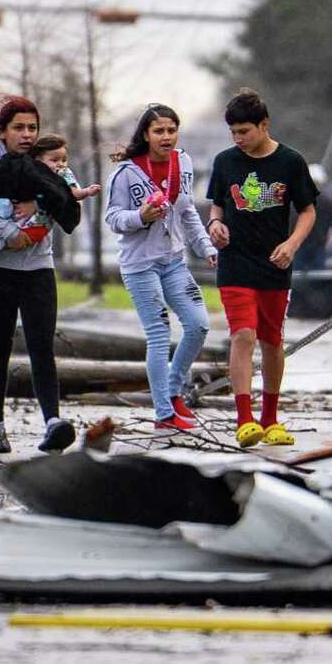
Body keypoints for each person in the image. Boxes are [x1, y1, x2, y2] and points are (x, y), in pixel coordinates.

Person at [0, 96, 81, 455]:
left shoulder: (47, 160)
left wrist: (40, 202)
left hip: (38, 268)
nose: (27, 134)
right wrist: (7, 232)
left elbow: (68, 201)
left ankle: (52, 423)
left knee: (41, 345)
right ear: (2, 130)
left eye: (32, 127)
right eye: (19, 127)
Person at [205, 88, 318, 449]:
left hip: (274, 264)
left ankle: (270, 419)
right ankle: (244, 420)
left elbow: (307, 211)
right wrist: (214, 225)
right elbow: (218, 206)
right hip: (235, 263)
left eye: (245, 132)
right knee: (244, 336)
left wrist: (291, 244)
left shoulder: (290, 161)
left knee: (272, 341)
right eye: (233, 133)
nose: (238, 140)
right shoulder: (225, 162)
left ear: (264, 125)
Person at [105, 104, 216, 433]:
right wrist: (140, 217)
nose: (166, 137)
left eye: (171, 130)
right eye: (159, 131)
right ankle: (164, 413)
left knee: (198, 326)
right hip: (140, 265)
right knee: (159, 335)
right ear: (145, 135)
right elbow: (112, 218)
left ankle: (173, 390)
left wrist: (205, 246)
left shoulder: (183, 163)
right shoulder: (126, 173)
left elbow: (187, 212)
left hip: (174, 261)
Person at [293, 163, 332, 270]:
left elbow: (289, 221)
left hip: (301, 243)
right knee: (318, 274)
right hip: (316, 243)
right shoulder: (327, 201)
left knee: (296, 274)